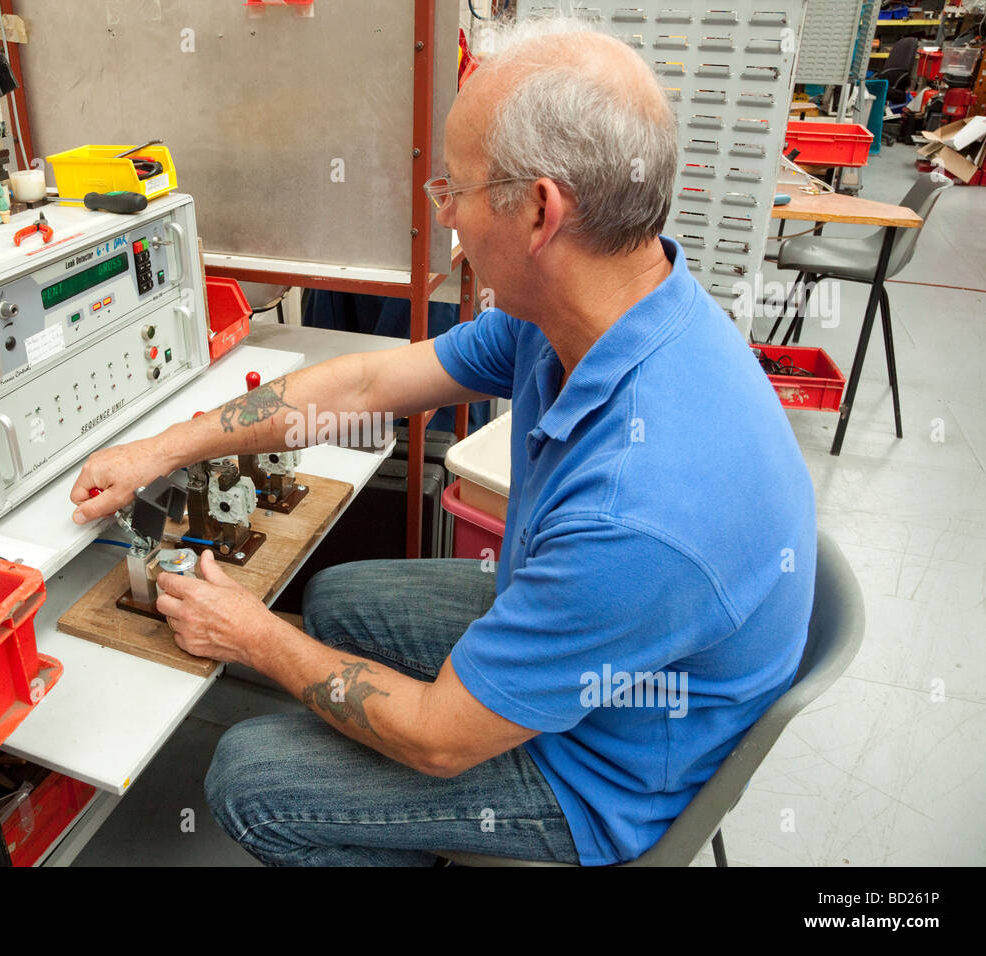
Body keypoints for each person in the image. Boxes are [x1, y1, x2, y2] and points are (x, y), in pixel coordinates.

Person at [68, 15, 815, 866]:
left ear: (540, 211)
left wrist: (252, 637)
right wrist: (161, 450)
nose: (447, 216)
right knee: (342, 599)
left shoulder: (639, 509)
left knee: (252, 775)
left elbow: (438, 741)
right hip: (605, 662)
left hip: (604, 771)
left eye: (451, 189)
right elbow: (364, 384)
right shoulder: (592, 310)